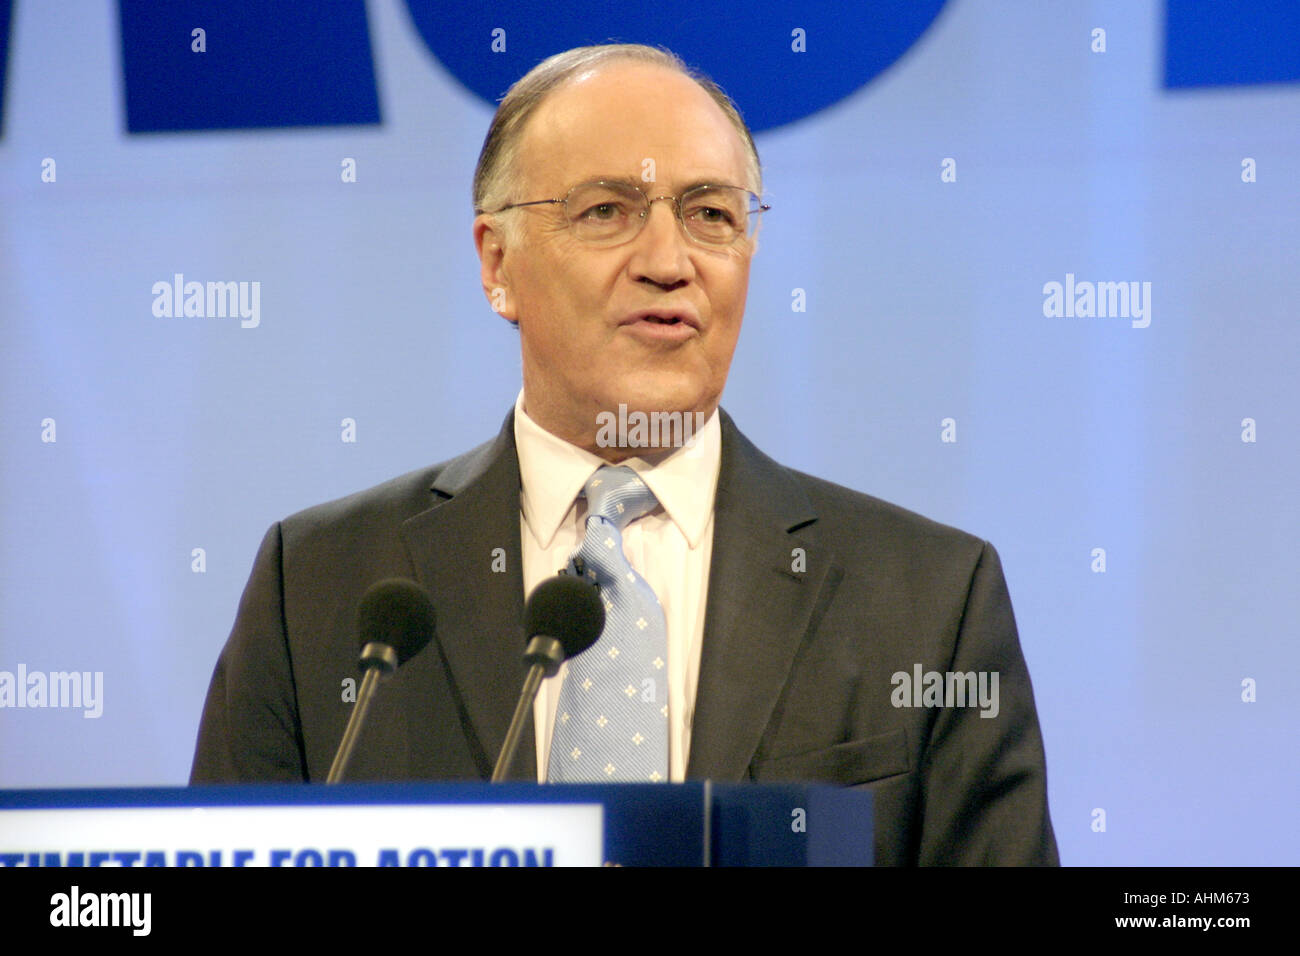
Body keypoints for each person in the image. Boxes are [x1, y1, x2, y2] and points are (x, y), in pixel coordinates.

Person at [190, 43, 1059, 866]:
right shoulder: (319, 587)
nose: (669, 261)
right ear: (497, 262)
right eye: (607, 210)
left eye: (710, 214)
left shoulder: (929, 600)